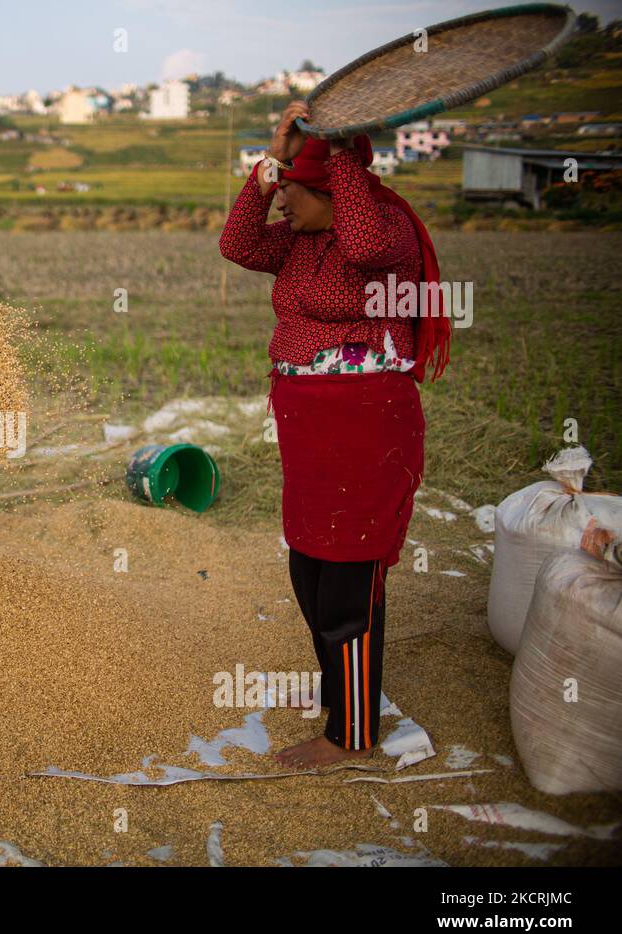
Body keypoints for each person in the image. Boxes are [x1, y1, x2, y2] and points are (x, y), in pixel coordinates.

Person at [219, 101, 450, 768]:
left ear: (333, 192)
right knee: (309, 562)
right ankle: (337, 690)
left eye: (292, 190)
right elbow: (237, 244)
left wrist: (342, 157)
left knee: (350, 577)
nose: (280, 201)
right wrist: (272, 158)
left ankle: (351, 736)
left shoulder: (385, 236)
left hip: (365, 423)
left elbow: (368, 244)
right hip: (309, 423)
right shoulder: (300, 243)